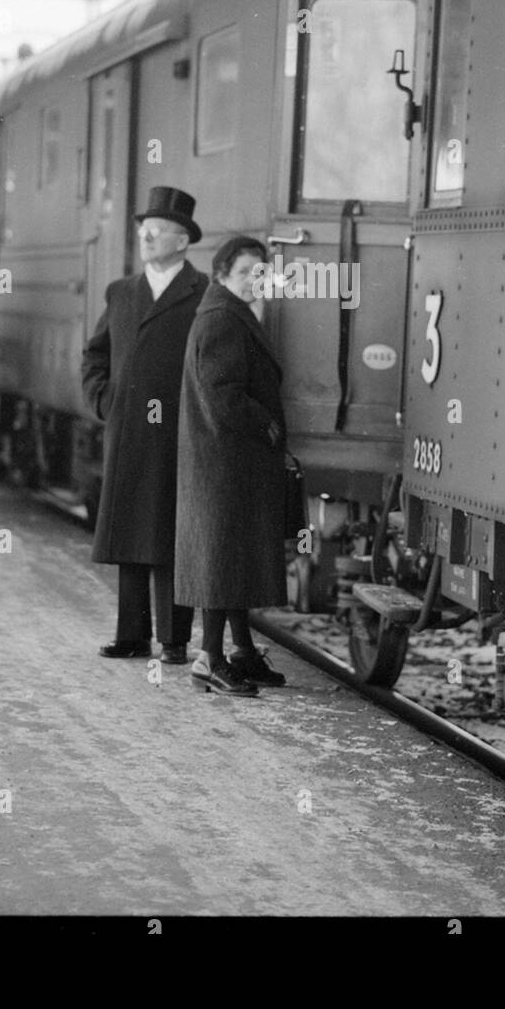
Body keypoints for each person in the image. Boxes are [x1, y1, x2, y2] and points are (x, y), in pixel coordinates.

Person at [81, 187, 205, 663]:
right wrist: (103, 399)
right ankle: (131, 636)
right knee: (130, 532)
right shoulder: (121, 292)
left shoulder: (202, 292)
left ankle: (174, 641)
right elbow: (94, 353)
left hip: (178, 433)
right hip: (128, 429)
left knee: (172, 534)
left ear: (182, 241)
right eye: (143, 229)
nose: (146, 236)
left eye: (158, 230)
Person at [174, 236, 290, 696]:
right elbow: (222, 396)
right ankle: (210, 659)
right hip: (223, 463)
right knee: (220, 564)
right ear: (222, 273)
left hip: (226, 461)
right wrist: (268, 426)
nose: (254, 281)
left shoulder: (227, 311)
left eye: (261, 273)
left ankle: (240, 652)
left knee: (232, 561)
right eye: (246, 272)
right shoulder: (223, 318)